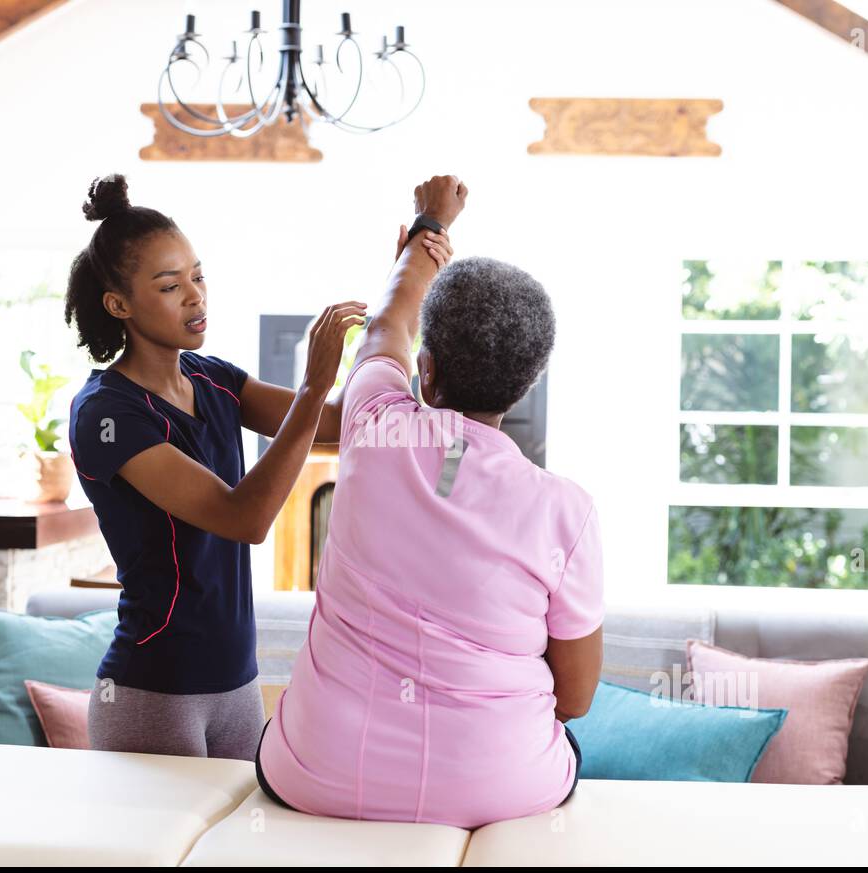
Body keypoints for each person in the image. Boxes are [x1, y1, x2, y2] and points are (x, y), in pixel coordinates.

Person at [63, 173, 452, 759]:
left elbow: (342, 422)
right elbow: (244, 517)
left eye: (198, 276)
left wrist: (410, 281)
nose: (195, 296)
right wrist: (314, 382)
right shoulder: (105, 415)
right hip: (150, 694)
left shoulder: (212, 377)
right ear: (118, 305)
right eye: (170, 286)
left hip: (237, 688)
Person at [257, 175, 605, 827]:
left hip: (318, 772)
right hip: (504, 784)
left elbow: (389, 316)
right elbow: (577, 697)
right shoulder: (568, 510)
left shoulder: (373, 420)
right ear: (524, 386)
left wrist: (430, 223)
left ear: (428, 369)